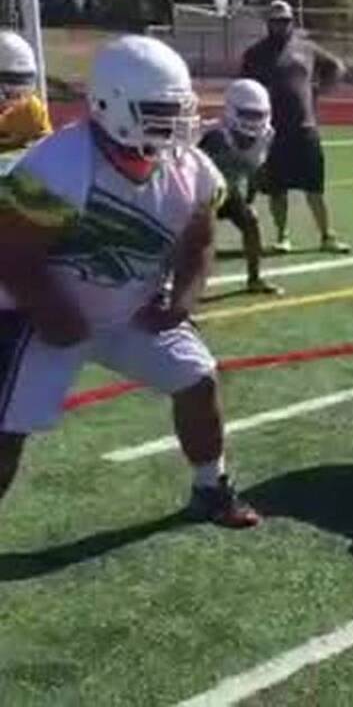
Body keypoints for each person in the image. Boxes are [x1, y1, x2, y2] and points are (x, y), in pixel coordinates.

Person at [0, 35, 259, 528]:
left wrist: (182, 298)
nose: (177, 123)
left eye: (178, 109)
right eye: (159, 110)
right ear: (109, 105)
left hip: (127, 309)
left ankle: (212, 487)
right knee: (6, 431)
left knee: (198, 380)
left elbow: (200, 240)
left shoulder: (191, 170)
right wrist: (54, 313)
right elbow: (11, 254)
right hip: (40, 315)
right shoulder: (57, 167)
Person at [240, 0, 349, 255]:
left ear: (292, 22)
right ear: (269, 23)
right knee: (277, 189)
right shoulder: (255, 54)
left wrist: (321, 89)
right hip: (272, 131)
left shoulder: (307, 49)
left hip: (305, 129)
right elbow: (244, 89)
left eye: (286, 21)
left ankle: (327, 236)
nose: (281, 26)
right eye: (276, 21)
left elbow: (337, 67)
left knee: (315, 187)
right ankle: (282, 236)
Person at [197, 79, 283, 295]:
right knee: (191, 238)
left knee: (250, 222)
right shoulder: (213, 136)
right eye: (247, 114)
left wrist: (250, 197)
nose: (253, 121)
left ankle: (254, 279)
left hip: (227, 191)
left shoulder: (266, 136)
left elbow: (255, 169)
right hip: (198, 194)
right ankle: (167, 286)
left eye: (257, 115)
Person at [0, 30, 52, 160]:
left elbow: (48, 153)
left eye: (22, 94)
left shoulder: (32, 110)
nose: (14, 103)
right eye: (9, 94)